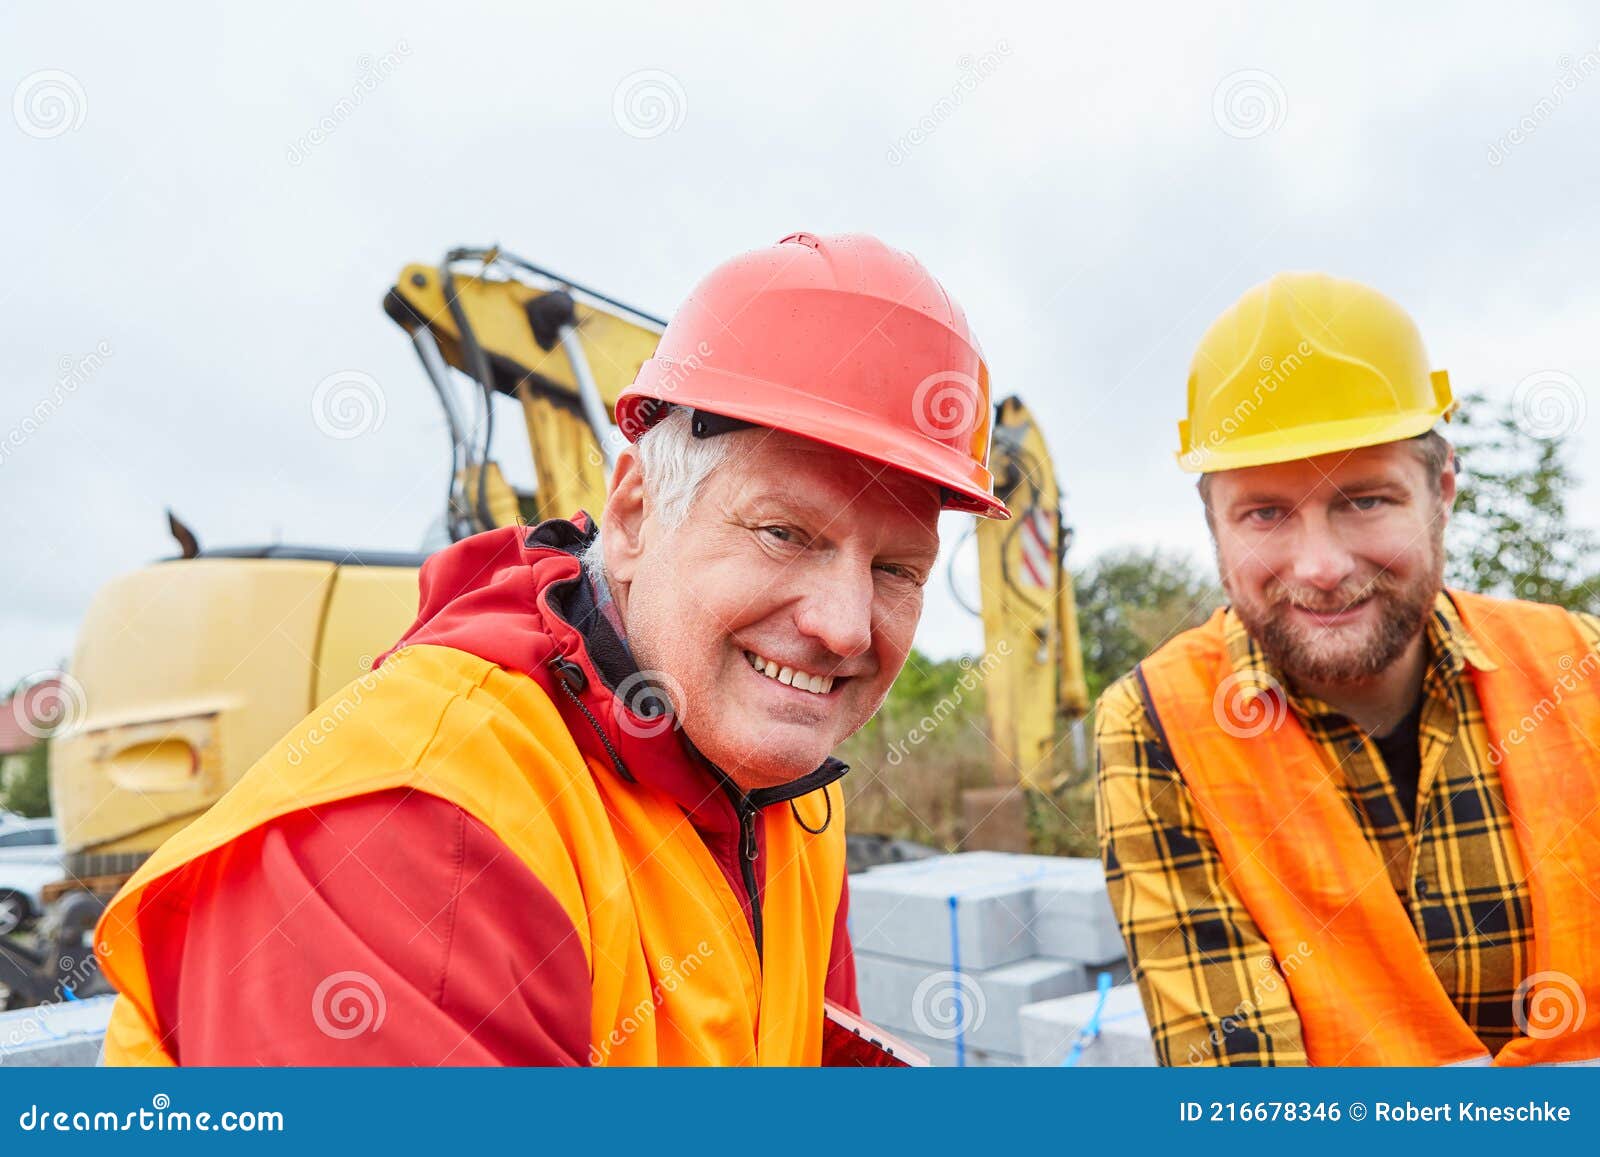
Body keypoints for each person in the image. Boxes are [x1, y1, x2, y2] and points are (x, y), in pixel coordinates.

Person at [95, 232, 1010, 1065]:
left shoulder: (784, 797)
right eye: (785, 533)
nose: (847, 626)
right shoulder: (421, 834)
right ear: (636, 514)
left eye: (897, 569)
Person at [1096, 272, 1600, 1066]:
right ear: (1214, 526)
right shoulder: (1156, 723)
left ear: (1441, 490)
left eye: (1364, 500)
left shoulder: (1581, 668)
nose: (1322, 566)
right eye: (1265, 513)